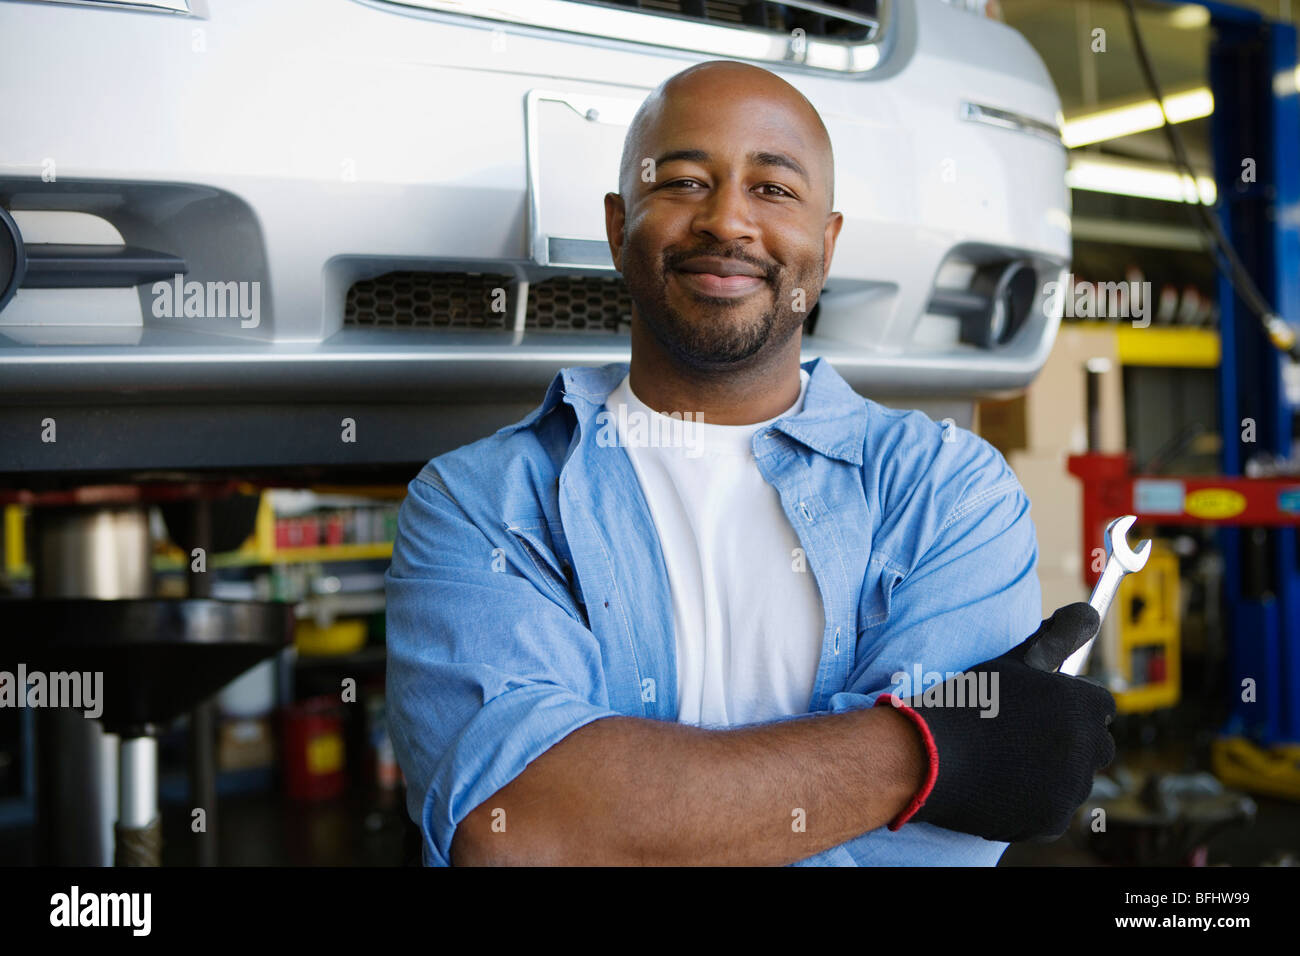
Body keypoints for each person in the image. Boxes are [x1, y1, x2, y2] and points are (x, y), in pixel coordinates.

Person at [384, 59, 1115, 867]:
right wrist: (928, 755)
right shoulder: (478, 503)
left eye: (773, 189)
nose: (727, 220)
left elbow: (931, 858)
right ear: (618, 226)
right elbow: (518, 833)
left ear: (826, 244)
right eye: (686, 182)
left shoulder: (950, 494)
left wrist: (626, 815)